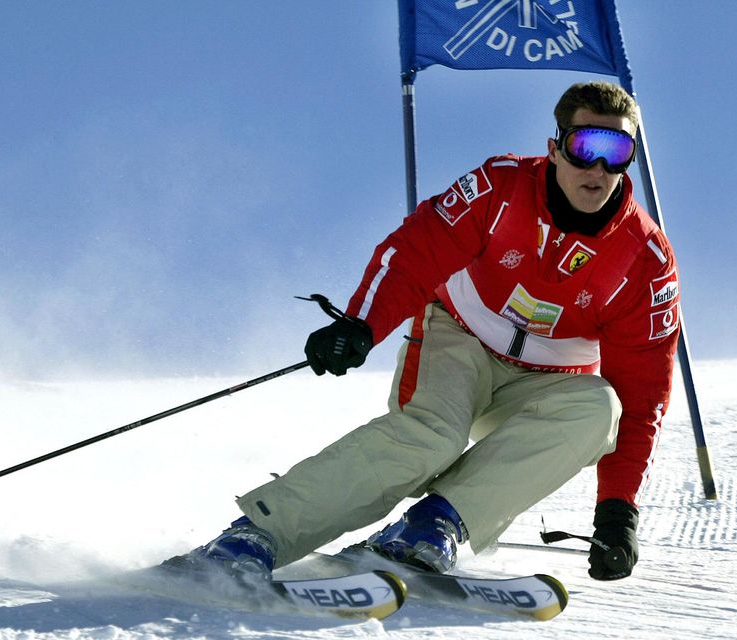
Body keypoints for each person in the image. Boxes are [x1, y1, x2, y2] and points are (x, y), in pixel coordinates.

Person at [184, 81, 680, 582]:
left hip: (547, 381)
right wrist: (363, 323)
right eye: (584, 147)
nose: (597, 169)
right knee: (432, 437)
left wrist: (619, 512)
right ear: (555, 148)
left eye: (616, 152)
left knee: (600, 409)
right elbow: (420, 249)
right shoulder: (502, 186)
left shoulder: (645, 260)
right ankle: (257, 535)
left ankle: (430, 528)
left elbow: (643, 398)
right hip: (459, 336)